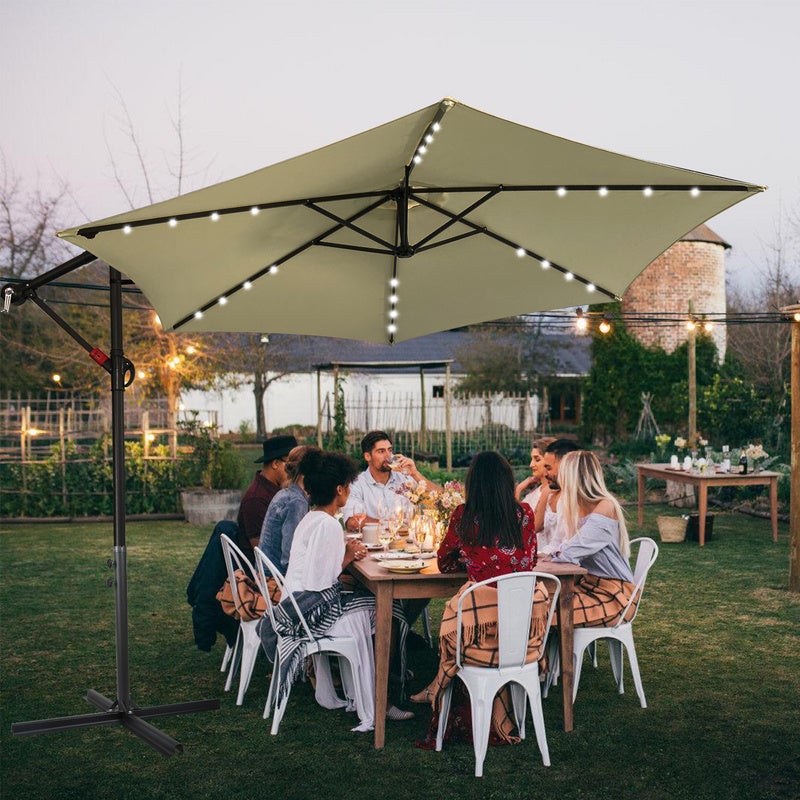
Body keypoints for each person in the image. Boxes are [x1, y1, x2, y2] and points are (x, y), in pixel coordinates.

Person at [411, 451, 549, 748]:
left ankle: (439, 687)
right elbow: (531, 560)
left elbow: (444, 562)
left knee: (456, 626)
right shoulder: (524, 513)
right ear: (507, 481)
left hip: (480, 640)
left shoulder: (464, 515)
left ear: (473, 483)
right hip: (520, 638)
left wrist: (470, 562)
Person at [276, 450, 413, 730]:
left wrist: (345, 553)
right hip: (310, 612)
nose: (350, 490)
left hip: (296, 605)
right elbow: (321, 582)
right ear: (339, 489)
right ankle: (382, 699)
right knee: (390, 611)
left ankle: (376, 688)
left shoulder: (313, 517)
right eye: (348, 485)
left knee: (378, 603)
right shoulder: (327, 524)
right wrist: (348, 557)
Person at [542, 450, 636, 627]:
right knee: (538, 605)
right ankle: (551, 646)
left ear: (572, 477)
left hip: (615, 595)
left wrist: (551, 554)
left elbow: (570, 552)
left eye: (563, 473)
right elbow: (563, 547)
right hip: (587, 586)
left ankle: (551, 646)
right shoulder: (578, 507)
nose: (560, 478)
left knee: (543, 613)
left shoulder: (605, 507)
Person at [342, 430, 441, 531]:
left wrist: (415, 474)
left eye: (389, 450)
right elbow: (352, 522)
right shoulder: (356, 484)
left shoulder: (404, 477)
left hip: (408, 539)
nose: (388, 456)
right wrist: (392, 525)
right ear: (368, 456)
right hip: (375, 540)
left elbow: (440, 497)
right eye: (381, 451)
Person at [258, 444, 319, 574]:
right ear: (306, 474)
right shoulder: (296, 502)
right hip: (277, 578)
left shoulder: (286, 494)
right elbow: (291, 559)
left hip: (268, 571)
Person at [236, 434, 297, 560]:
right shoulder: (256, 499)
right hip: (266, 569)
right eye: (291, 466)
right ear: (275, 463)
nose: (295, 472)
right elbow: (263, 552)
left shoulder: (277, 491)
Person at [533, 438, 581, 554]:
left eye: (548, 468)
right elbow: (556, 542)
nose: (545, 473)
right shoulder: (563, 498)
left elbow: (568, 548)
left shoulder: (579, 499)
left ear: (566, 465)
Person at [514, 437, 555, 511]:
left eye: (537, 459)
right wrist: (519, 489)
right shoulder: (533, 494)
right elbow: (516, 515)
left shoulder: (554, 495)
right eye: (532, 459)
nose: (531, 465)